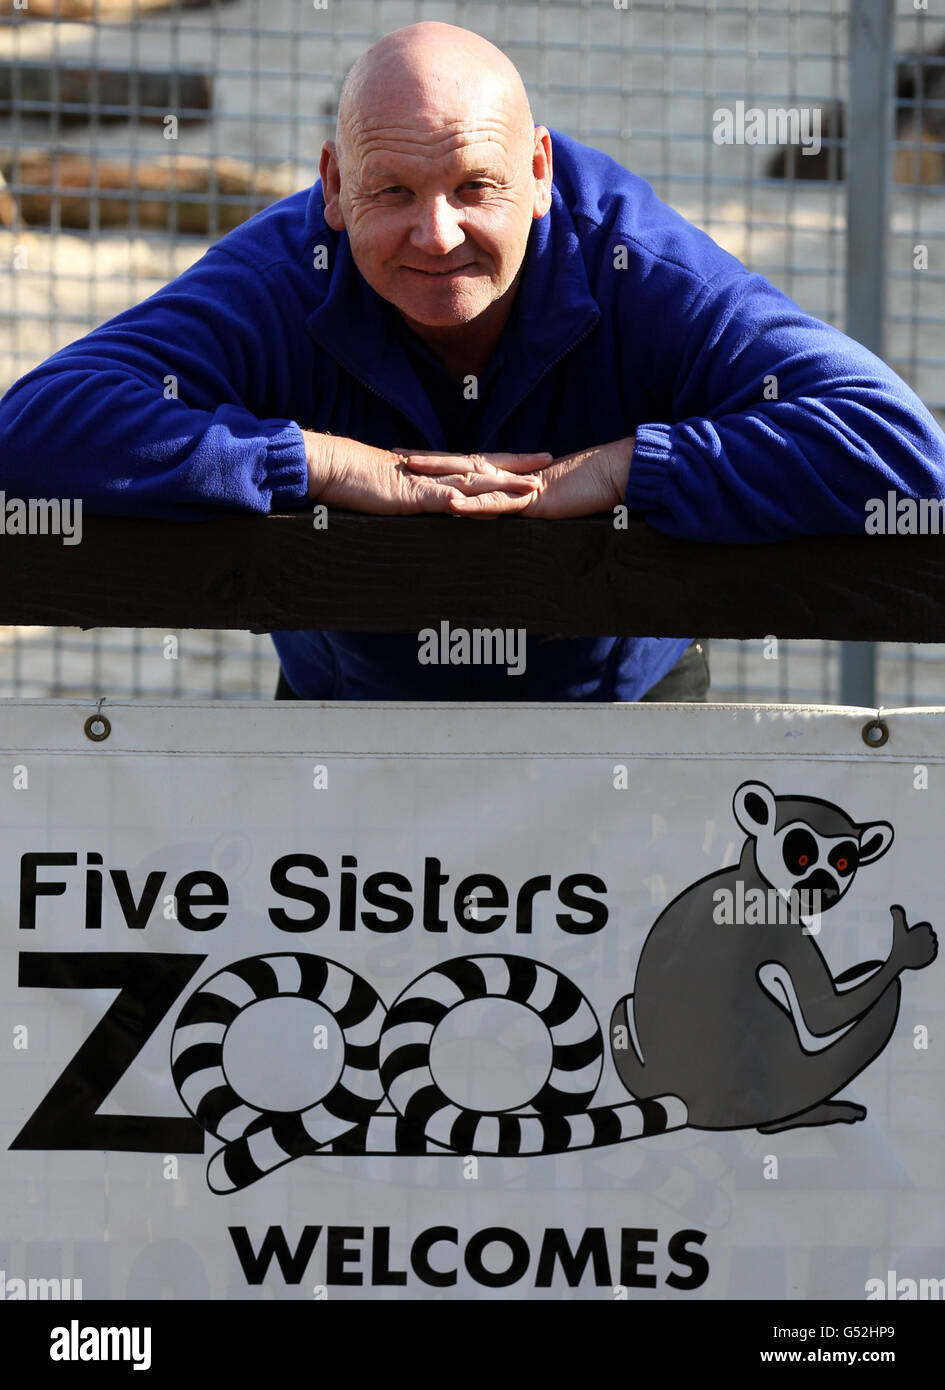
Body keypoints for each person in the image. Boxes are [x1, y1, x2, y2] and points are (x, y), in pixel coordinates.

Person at [1, 21, 943, 701]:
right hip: (350, 738)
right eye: (395, 190)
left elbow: (897, 447)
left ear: (540, 174)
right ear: (332, 186)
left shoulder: (637, 265)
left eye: (474, 187)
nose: (437, 233)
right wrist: (322, 462)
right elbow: (33, 429)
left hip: (622, 732)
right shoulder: (281, 273)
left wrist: (622, 468)